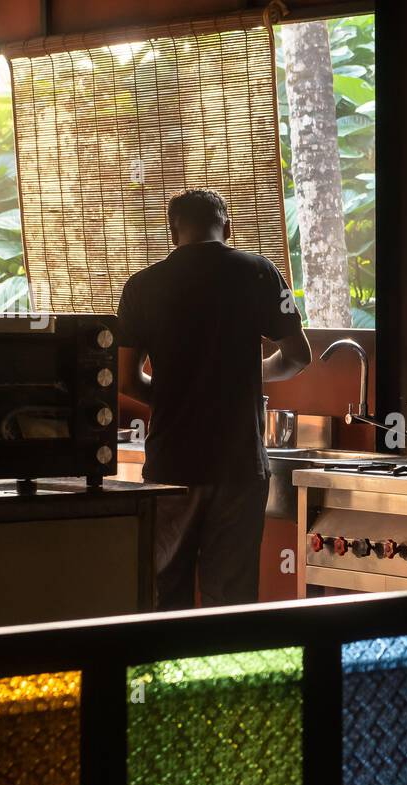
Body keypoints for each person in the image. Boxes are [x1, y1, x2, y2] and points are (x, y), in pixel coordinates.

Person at [116, 189, 311, 608]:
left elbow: (128, 380)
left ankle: (170, 670)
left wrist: (177, 397)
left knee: (168, 593)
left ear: (173, 233)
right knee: (232, 599)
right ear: (228, 226)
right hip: (239, 466)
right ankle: (228, 674)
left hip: (172, 465)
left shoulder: (142, 286)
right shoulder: (260, 273)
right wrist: (242, 379)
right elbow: (298, 356)